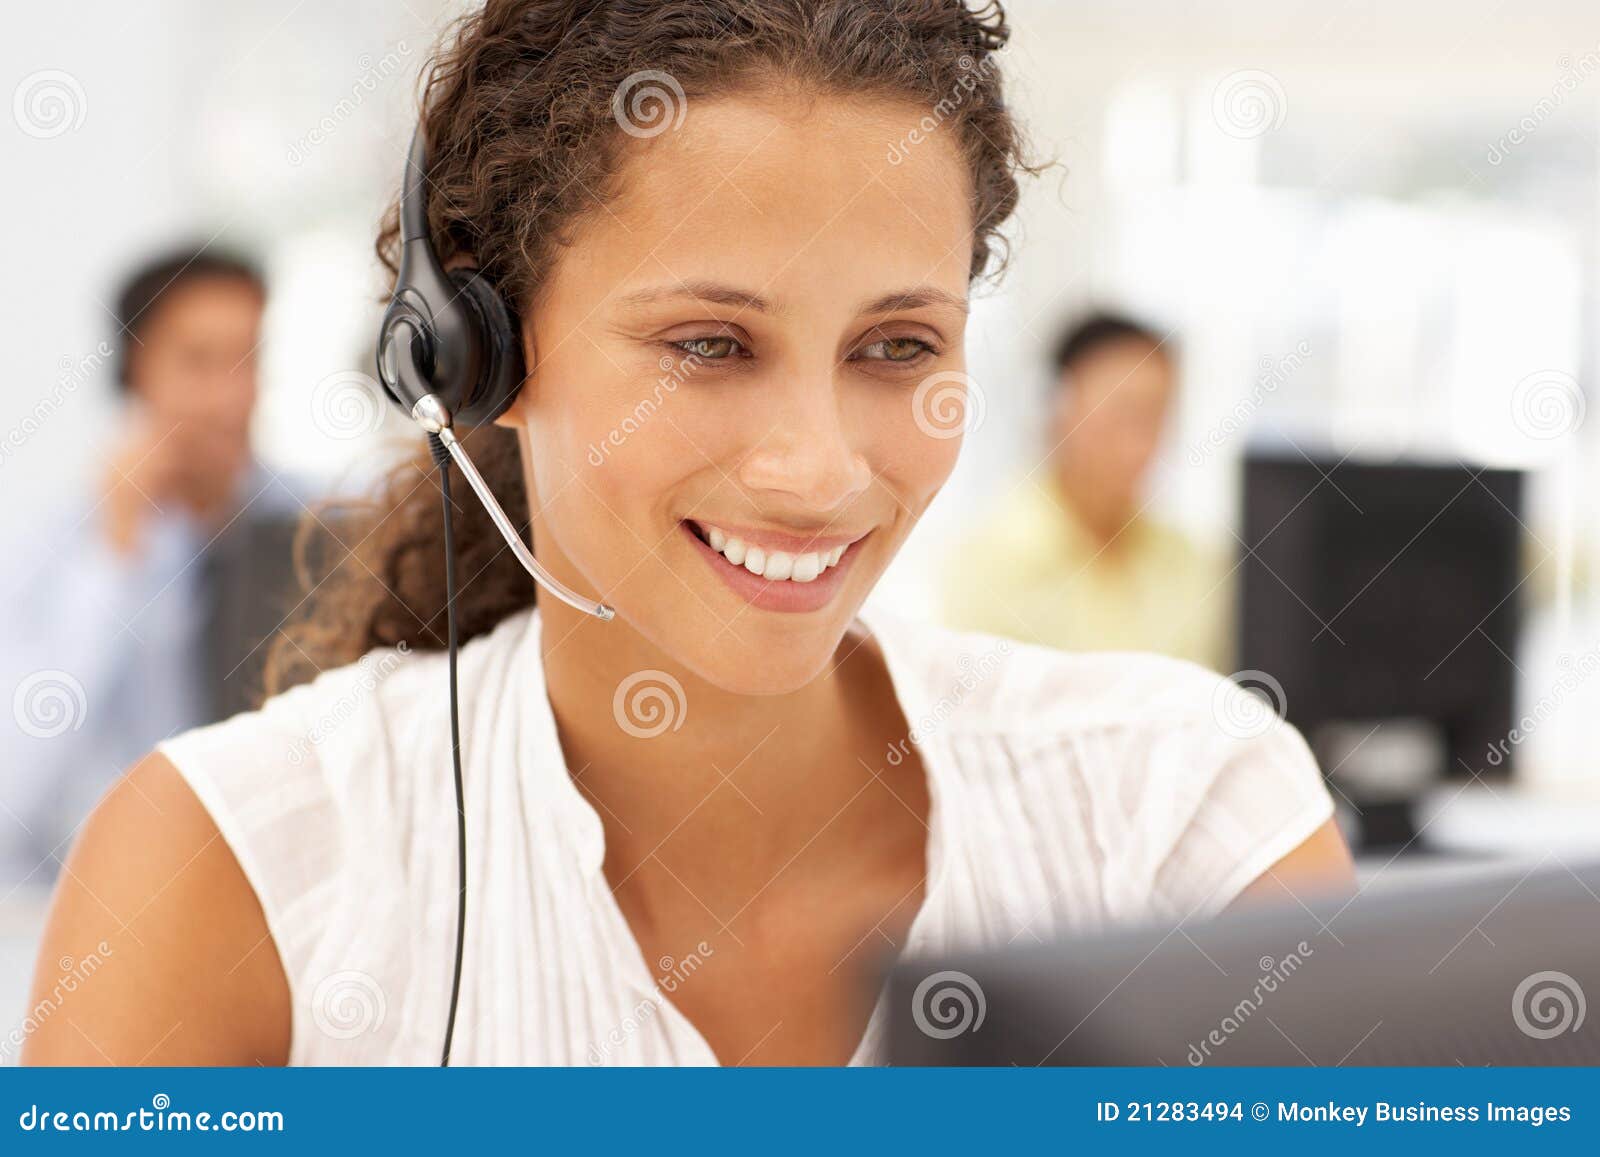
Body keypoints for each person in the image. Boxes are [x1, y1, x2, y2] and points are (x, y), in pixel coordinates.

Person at [27, 0, 1351, 1067]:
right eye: (709, 345)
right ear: (483, 353)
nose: (818, 469)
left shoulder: (1184, 817)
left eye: (897, 347)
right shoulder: (232, 869)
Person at [0, 247, 299, 882]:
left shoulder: (316, 524)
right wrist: (117, 555)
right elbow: (14, 800)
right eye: (200, 361)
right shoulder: (52, 551)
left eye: (250, 358)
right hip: (113, 903)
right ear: (135, 369)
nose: (234, 396)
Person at [940, 311, 1233, 670]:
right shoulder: (990, 563)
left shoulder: (1190, 560)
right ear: (1058, 409)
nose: (1141, 447)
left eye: (1156, 418)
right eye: (1124, 415)